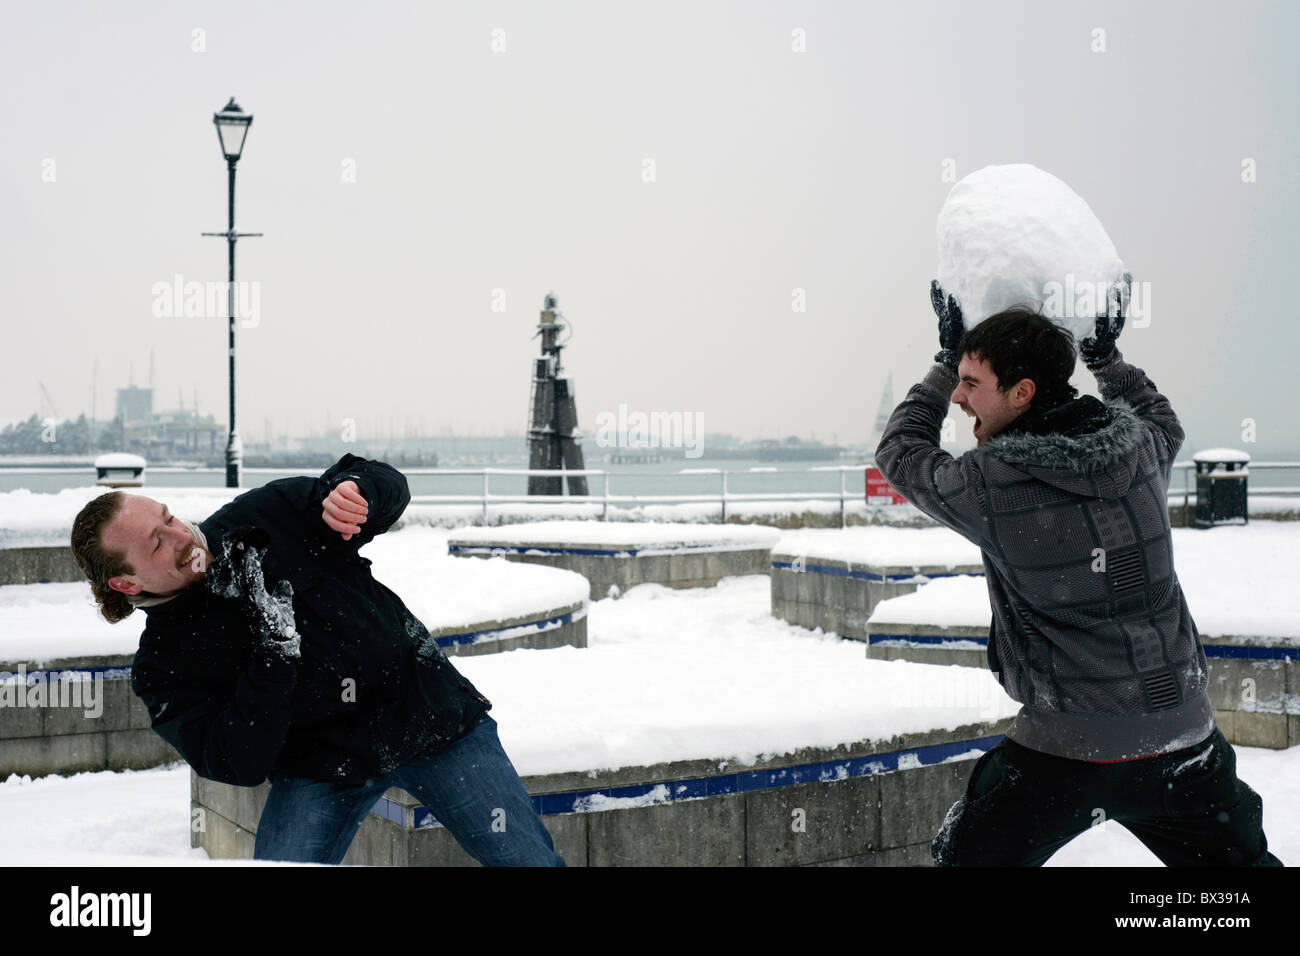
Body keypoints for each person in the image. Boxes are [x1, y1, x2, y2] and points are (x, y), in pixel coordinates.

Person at [872, 279, 1282, 867]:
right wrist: (1106, 359)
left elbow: (902, 452)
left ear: (1022, 393)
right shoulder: (1141, 451)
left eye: (970, 384)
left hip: (1066, 751)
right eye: (958, 381)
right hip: (1183, 738)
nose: (959, 400)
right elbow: (1160, 418)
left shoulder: (989, 484)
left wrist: (939, 365)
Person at [70, 453, 565, 866]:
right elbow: (232, 761)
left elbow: (385, 486)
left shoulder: (265, 515)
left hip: (430, 717)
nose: (182, 537)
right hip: (322, 765)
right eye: (158, 543)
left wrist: (358, 491)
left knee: (528, 862)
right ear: (127, 584)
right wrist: (273, 655)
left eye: (168, 518)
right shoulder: (163, 667)